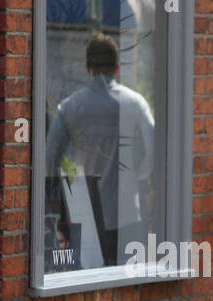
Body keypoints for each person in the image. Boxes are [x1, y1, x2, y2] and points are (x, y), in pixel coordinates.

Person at [44, 32, 155, 268]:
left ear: (87, 68)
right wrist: (136, 177)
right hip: (126, 216)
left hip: (84, 212)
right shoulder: (135, 104)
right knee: (126, 285)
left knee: (81, 282)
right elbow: (153, 152)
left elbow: (50, 157)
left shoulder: (70, 107)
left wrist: (70, 183)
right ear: (116, 68)